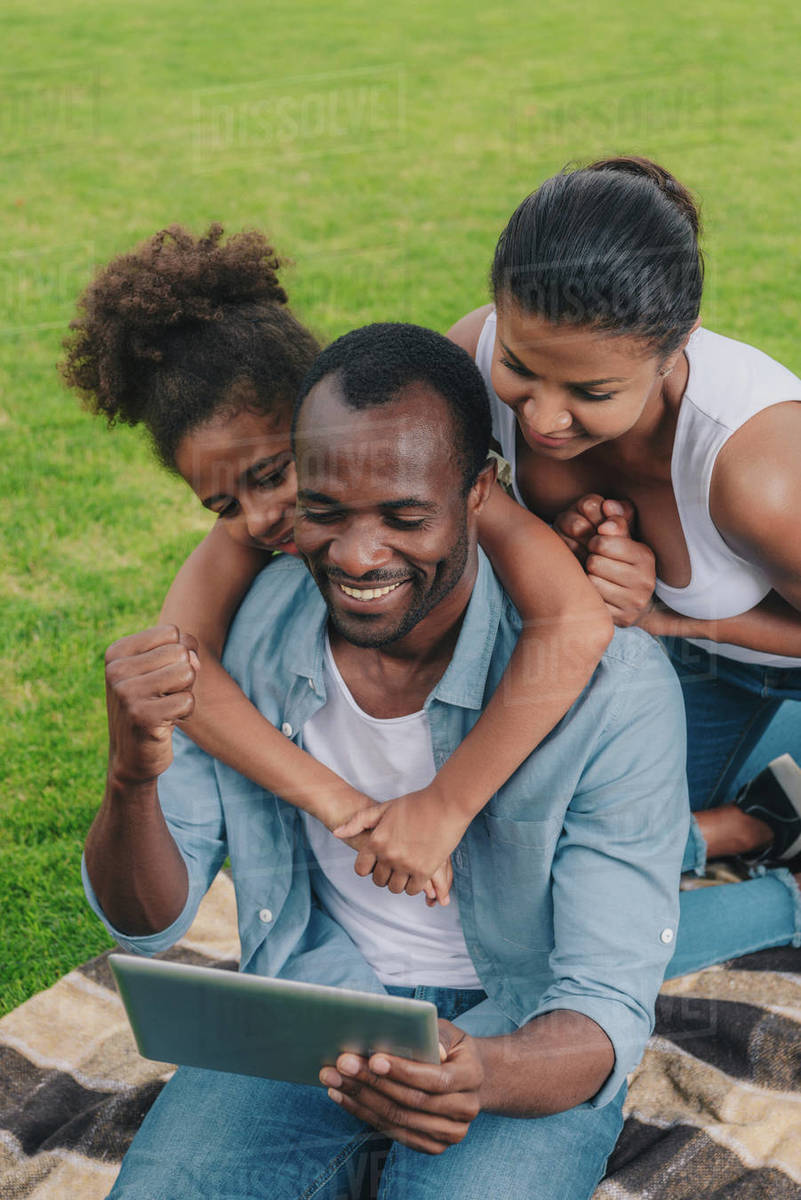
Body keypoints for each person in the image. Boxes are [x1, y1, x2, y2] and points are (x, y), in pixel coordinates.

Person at [84, 322, 689, 1200]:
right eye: (322, 512)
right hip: (309, 1005)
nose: (358, 555)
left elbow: (600, 1003)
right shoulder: (236, 639)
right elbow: (148, 920)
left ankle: (767, 883)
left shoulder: (612, 691)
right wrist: (130, 780)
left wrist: (485, 1072)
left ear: (479, 491)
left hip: (519, 1024)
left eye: (404, 517)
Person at [61, 223, 611, 906]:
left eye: (271, 474)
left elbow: (574, 621)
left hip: (534, 740)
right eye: (220, 504)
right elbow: (183, 673)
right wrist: (342, 807)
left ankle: (717, 837)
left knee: (576, 853)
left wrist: (446, 804)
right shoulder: (251, 531)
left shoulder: (435, 476)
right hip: (385, 813)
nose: (259, 518)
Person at [448, 156, 801, 969]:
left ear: (675, 349)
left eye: (589, 394)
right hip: (676, 667)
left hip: (750, 653)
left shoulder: (759, 473)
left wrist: (664, 613)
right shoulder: (470, 355)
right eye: (521, 369)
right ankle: (746, 825)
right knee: (519, 868)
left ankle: (782, 897)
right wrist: (552, 552)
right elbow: (412, 502)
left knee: (574, 927)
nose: (540, 417)